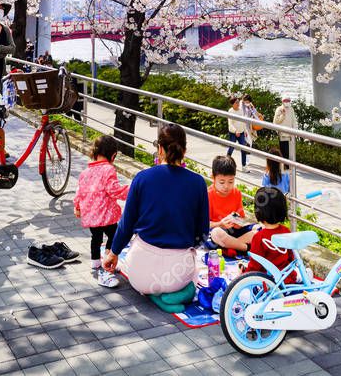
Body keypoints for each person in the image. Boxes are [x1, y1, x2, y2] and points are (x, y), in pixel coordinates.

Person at [103, 123, 209, 295]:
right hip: (178, 275)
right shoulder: (198, 182)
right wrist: (185, 246)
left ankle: (157, 296)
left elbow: (126, 225)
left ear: (160, 149)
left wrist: (113, 253)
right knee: (193, 279)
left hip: (140, 276)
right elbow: (203, 232)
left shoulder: (142, 178)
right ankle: (175, 296)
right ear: (184, 151)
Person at [73, 135, 129, 288]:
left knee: (96, 238)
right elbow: (113, 190)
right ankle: (108, 260)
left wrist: (77, 206)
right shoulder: (108, 169)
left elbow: (79, 191)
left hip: (91, 215)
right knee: (114, 236)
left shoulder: (85, 172)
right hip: (106, 215)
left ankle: (95, 262)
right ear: (113, 155)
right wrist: (131, 190)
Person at [246, 187, 296, 283]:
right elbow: (291, 257)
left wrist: (243, 274)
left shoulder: (259, 237)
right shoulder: (286, 231)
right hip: (286, 277)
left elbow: (254, 266)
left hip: (268, 282)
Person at [208, 155, 257, 252]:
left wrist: (237, 222)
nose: (226, 186)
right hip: (218, 231)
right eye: (222, 182)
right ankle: (245, 247)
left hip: (234, 232)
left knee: (259, 229)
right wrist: (220, 223)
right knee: (216, 233)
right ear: (213, 178)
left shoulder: (236, 193)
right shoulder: (208, 195)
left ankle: (233, 246)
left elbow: (241, 219)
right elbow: (204, 224)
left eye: (231, 182)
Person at [226, 94, 249, 171]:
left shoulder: (241, 110)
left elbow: (243, 121)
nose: (238, 103)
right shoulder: (230, 111)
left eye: (238, 102)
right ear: (233, 104)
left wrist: (245, 130)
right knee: (231, 148)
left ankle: (244, 166)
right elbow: (230, 124)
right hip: (233, 133)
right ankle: (226, 163)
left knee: (243, 148)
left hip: (241, 132)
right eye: (236, 102)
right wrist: (235, 131)